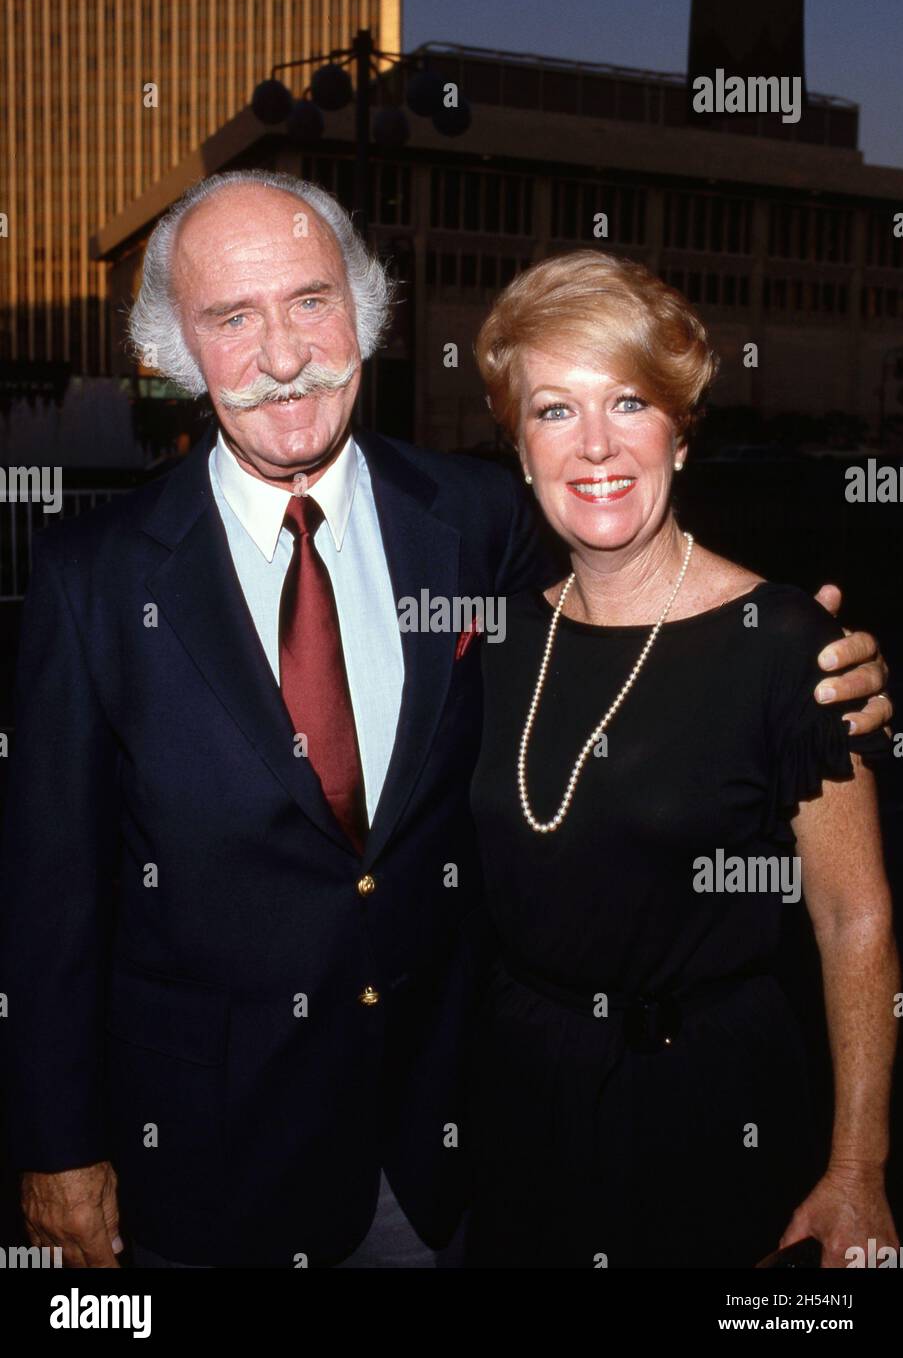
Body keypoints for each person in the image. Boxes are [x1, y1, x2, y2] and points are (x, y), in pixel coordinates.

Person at [0, 178, 891, 1269]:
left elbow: (644, 606)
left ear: (366, 313)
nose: (284, 354)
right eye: (232, 318)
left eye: (311, 301)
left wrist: (822, 660)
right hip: (201, 1167)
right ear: (177, 349)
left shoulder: (473, 523)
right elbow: (51, 894)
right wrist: (59, 1149)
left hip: (444, 1155)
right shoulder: (92, 579)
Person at [465, 250, 900, 1269]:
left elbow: (856, 916)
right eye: (555, 410)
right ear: (520, 447)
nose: (597, 445)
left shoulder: (788, 640)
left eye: (629, 401)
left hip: (715, 1108)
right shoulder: (492, 638)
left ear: (680, 427)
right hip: (521, 1104)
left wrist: (858, 1170)